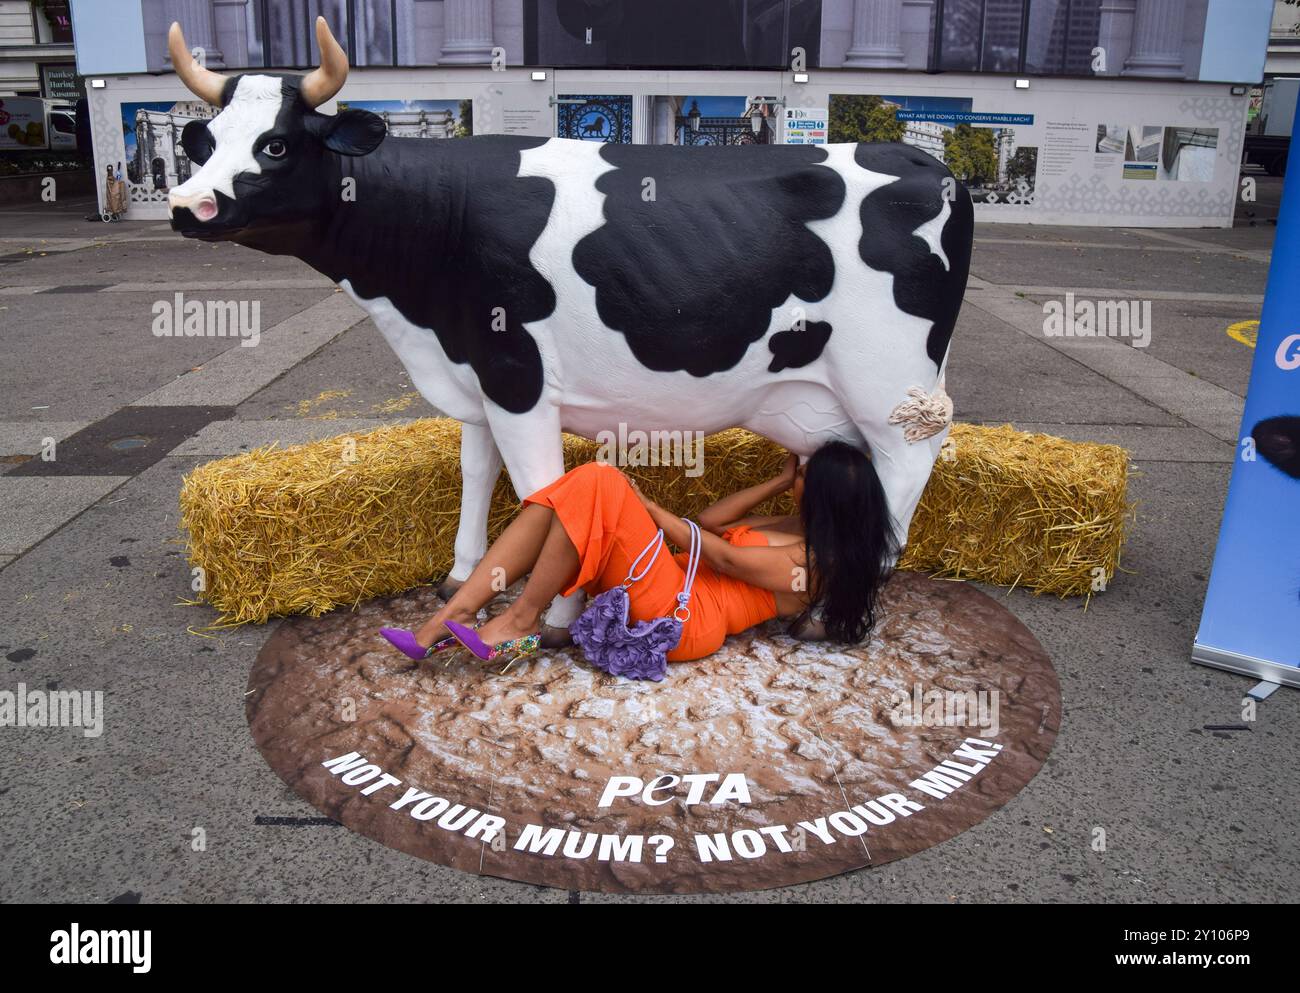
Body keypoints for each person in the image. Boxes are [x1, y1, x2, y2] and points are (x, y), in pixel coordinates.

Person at [379, 441, 898, 666]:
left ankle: (517, 618)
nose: (797, 478)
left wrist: (642, 503)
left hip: (686, 618)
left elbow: (723, 558)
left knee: (601, 480)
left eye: (805, 475)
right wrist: (778, 481)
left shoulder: (815, 565)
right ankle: (455, 615)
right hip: (664, 587)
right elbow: (711, 523)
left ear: (827, 495)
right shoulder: (789, 525)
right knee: (576, 489)